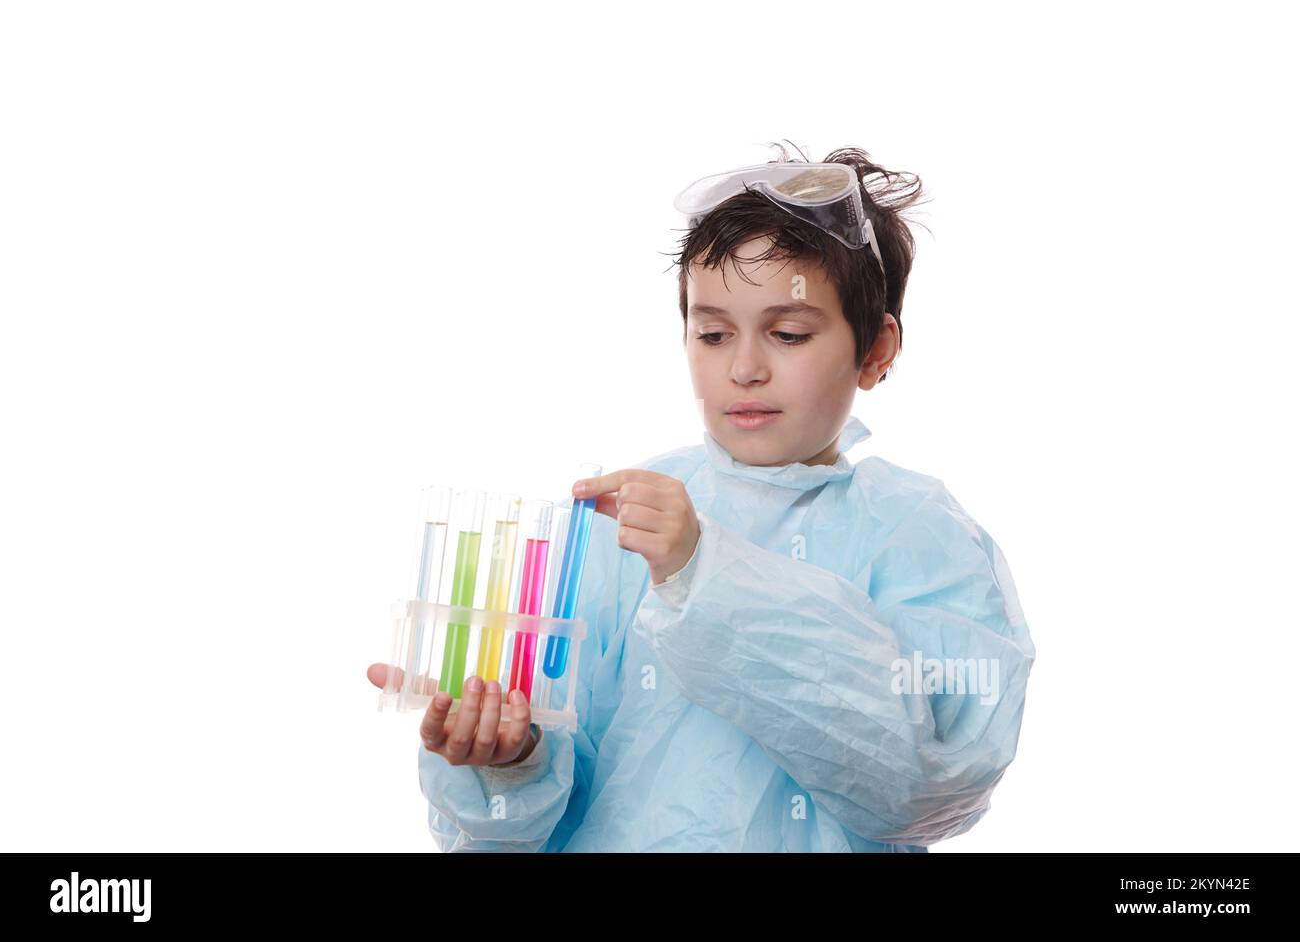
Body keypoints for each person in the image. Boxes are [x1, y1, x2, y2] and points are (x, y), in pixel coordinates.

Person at [366, 142, 1036, 851]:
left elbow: (925, 784)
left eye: (788, 333)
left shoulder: (918, 536)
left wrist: (706, 575)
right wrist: (511, 761)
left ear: (875, 350)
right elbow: (532, 811)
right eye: (712, 333)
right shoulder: (624, 520)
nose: (744, 368)